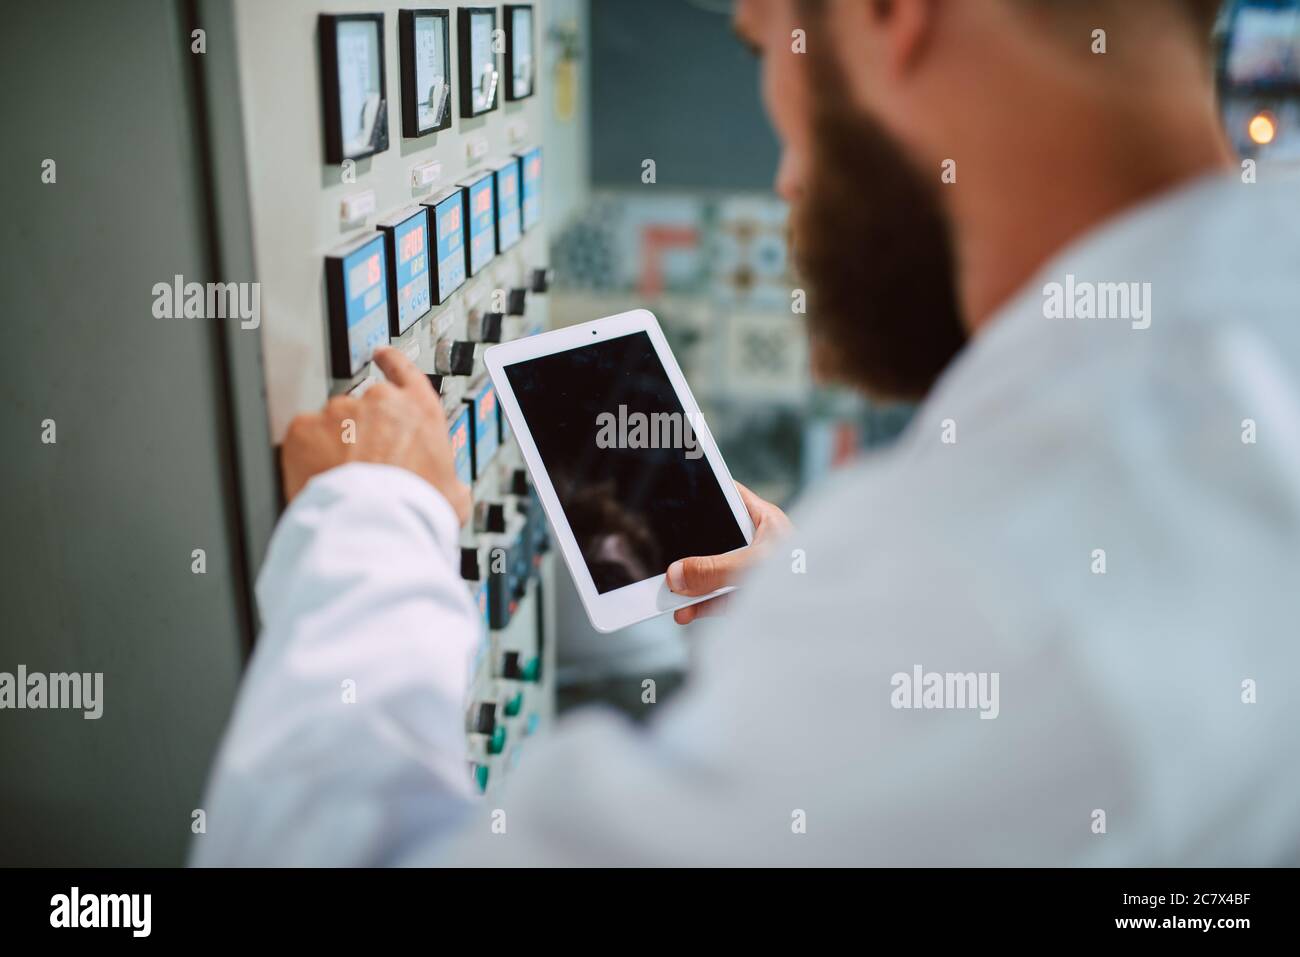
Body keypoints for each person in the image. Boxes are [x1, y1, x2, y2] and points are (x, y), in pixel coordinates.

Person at [193, 0, 1300, 866]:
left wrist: (380, 514)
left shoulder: (1014, 570)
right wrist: (828, 615)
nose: (785, 177)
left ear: (886, 15)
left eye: (765, 46)